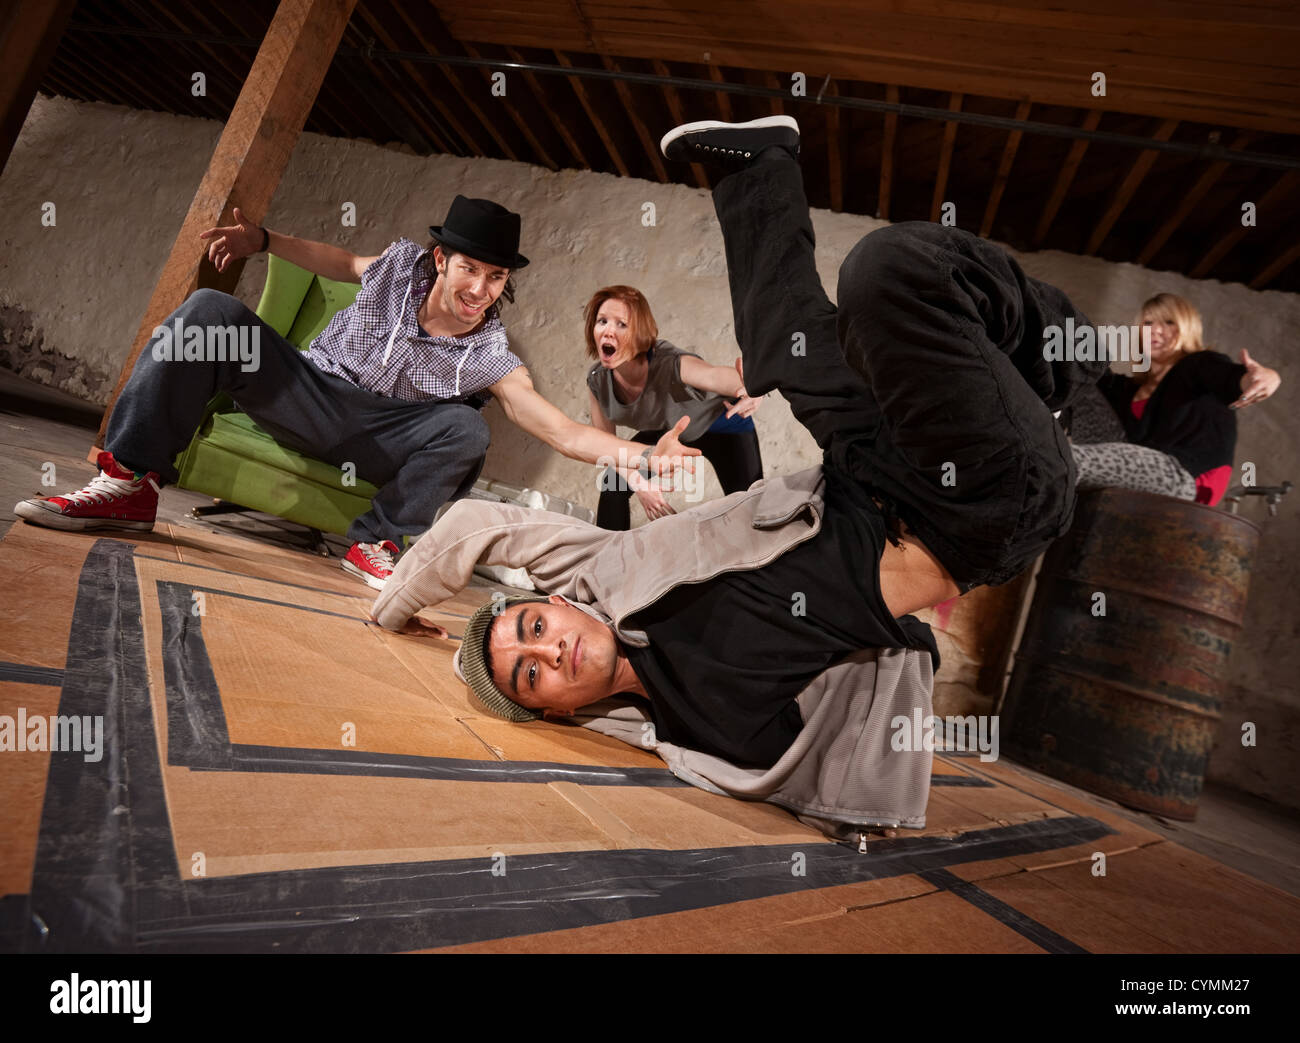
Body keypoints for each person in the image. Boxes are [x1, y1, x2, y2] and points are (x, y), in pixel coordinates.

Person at [370, 116, 1109, 838]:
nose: (547, 652)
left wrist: (389, 615)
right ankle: (1068, 387)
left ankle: (760, 170)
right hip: (972, 516)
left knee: (854, 291)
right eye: (531, 677)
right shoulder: (702, 734)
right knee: (896, 270)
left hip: (856, 466)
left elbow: (475, 524)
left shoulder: (604, 572)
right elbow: (849, 759)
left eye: (532, 629)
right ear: (557, 711)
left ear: (555, 604)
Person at [14, 196, 698, 589]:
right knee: (208, 316)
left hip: (378, 436)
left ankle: (377, 544)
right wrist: (263, 240)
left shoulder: (486, 351)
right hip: (307, 390)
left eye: (494, 279)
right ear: (441, 260)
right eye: (469, 270)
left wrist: (634, 459)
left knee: (466, 431)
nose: (478, 291)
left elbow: (559, 428)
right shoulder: (399, 265)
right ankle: (132, 483)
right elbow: (338, 261)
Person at [1067, 292, 1281, 505]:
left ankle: (1054, 460)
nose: (1156, 330)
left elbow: (1229, 377)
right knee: (1083, 381)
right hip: (1134, 466)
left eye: (1169, 322)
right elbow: (1090, 376)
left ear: (1187, 328)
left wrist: (1263, 378)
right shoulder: (1128, 390)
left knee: (1060, 460)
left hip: (1187, 475)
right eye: (1148, 322)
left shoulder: (1199, 365)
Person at [584, 285, 763, 527]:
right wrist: (640, 484)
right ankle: (612, 560)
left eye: (621, 324)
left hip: (723, 427)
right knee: (612, 483)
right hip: (672, 433)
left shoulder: (668, 362)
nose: (608, 331)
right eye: (602, 321)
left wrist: (752, 386)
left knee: (749, 507)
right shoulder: (597, 381)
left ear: (639, 332)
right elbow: (606, 447)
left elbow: (713, 376)